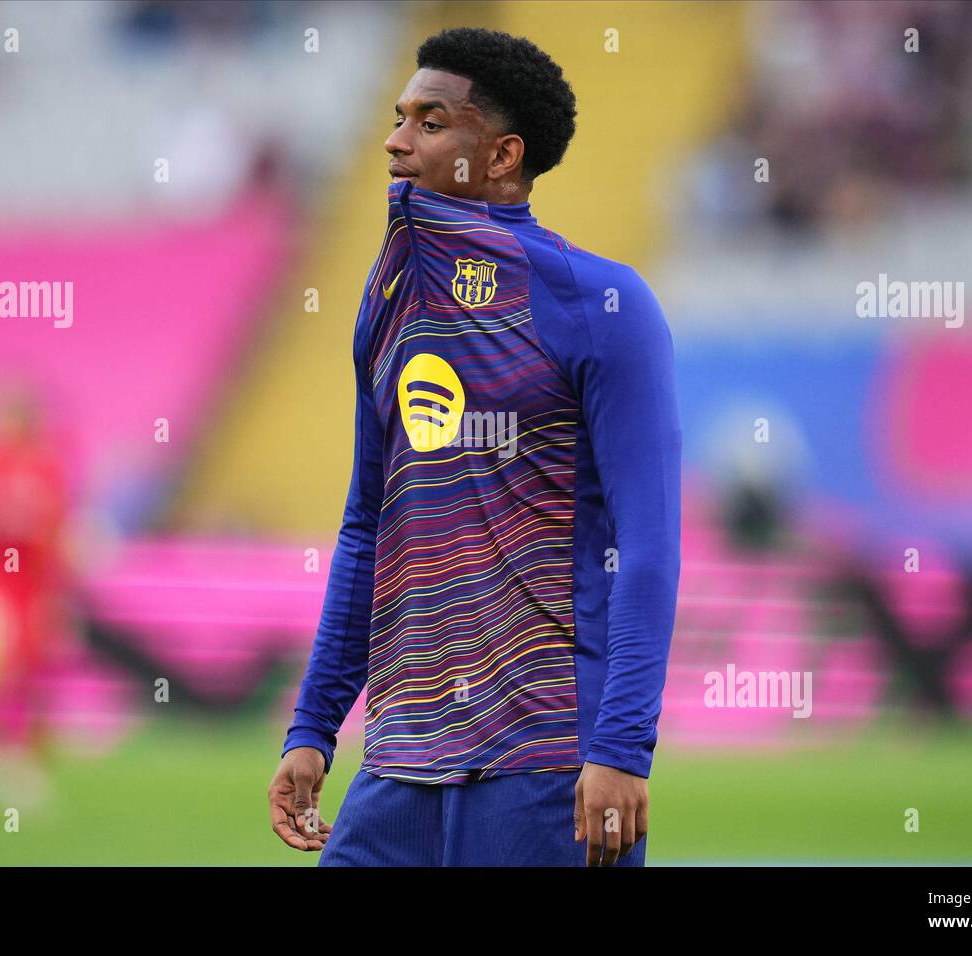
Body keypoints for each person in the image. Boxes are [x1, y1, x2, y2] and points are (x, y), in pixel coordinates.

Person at [267, 27, 681, 866]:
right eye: (397, 117)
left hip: (546, 763)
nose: (394, 140)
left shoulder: (601, 303)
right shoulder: (387, 307)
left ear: (500, 156)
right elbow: (365, 529)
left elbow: (647, 546)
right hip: (403, 762)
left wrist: (621, 749)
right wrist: (313, 725)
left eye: (429, 121)